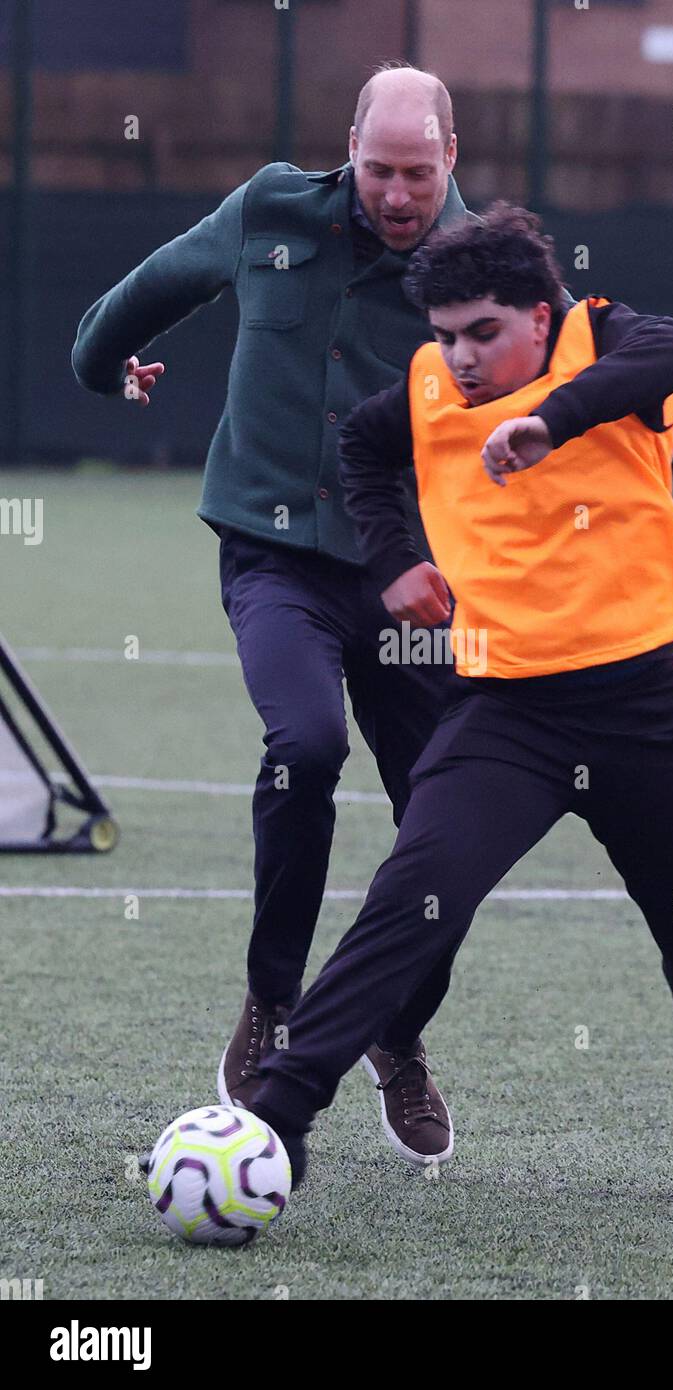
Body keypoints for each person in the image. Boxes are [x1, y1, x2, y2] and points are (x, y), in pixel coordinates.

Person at [247, 203, 673, 1186]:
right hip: (505, 713)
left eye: (483, 332)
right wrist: (393, 560)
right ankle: (278, 1113)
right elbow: (364, 452)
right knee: (408, 902)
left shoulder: (609, 344)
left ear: (540, 316)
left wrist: (549, 421)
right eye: (444, 334)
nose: (460, 357)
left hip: (642, 713)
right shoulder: (428, 386)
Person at [72, 63, 485, 1169]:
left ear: (452, 157)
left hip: (410, 580)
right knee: (304, 746)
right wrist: (105, 368)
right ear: (349, 145)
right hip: (276, 557)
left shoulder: (480, 263)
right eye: (379, 168)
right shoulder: (270, 208)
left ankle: (397, 1033)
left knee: (454, 819)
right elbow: (148, 290)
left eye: (419, 172)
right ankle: (272, 1003)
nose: (397, 194)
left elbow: (554, 386)